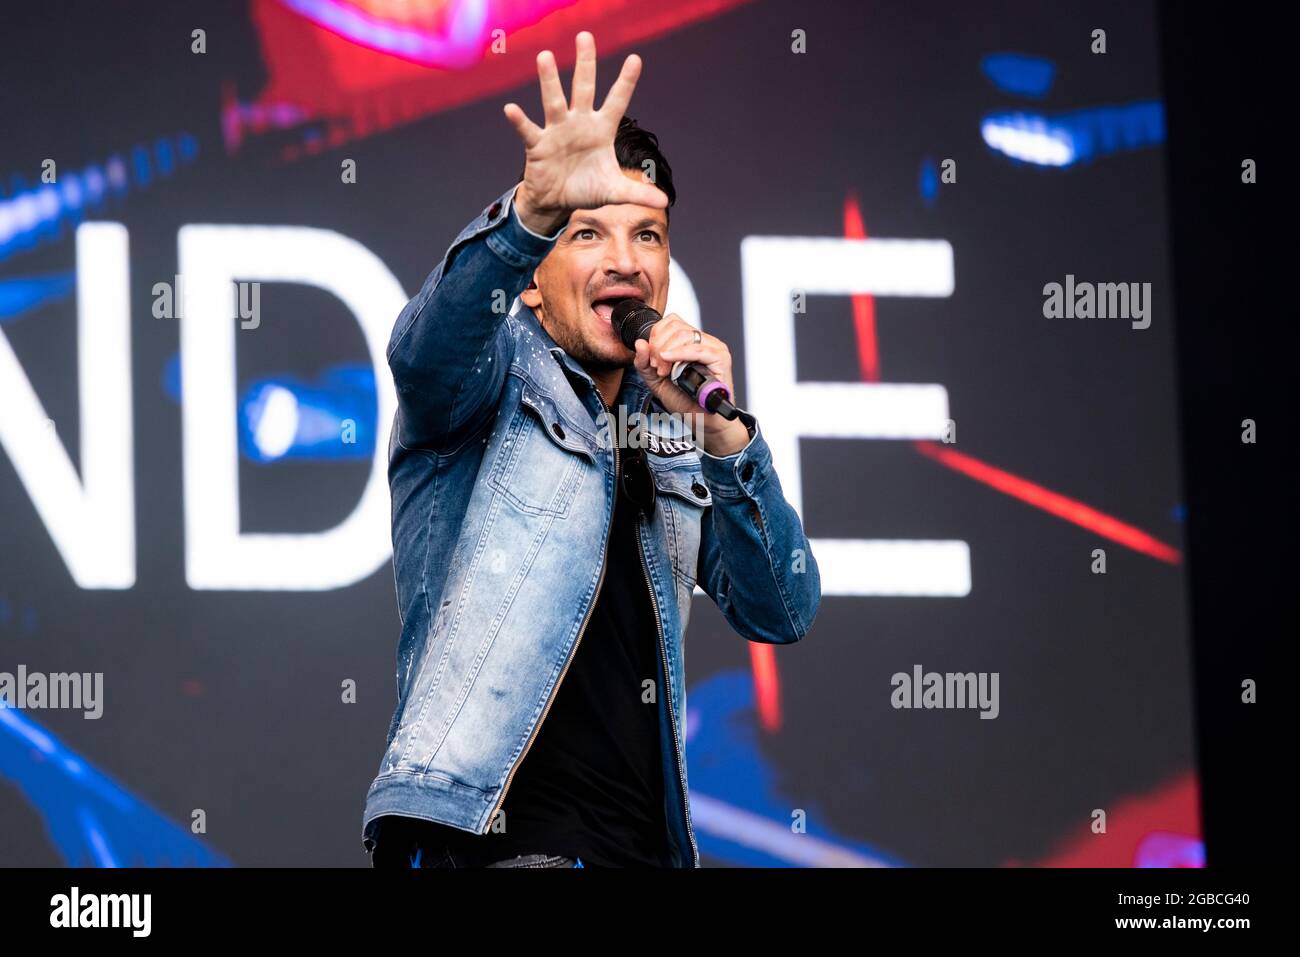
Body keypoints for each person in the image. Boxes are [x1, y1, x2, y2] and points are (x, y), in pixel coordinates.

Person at [362, 30, 820, 868]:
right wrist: (530, 214)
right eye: (587, 234)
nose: (626, 261)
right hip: (489, 844)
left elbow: (781, 609)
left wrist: (724, 438)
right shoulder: (489, 379)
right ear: (533, 273)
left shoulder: (674, 423)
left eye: (648, 235)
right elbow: (424, 353)